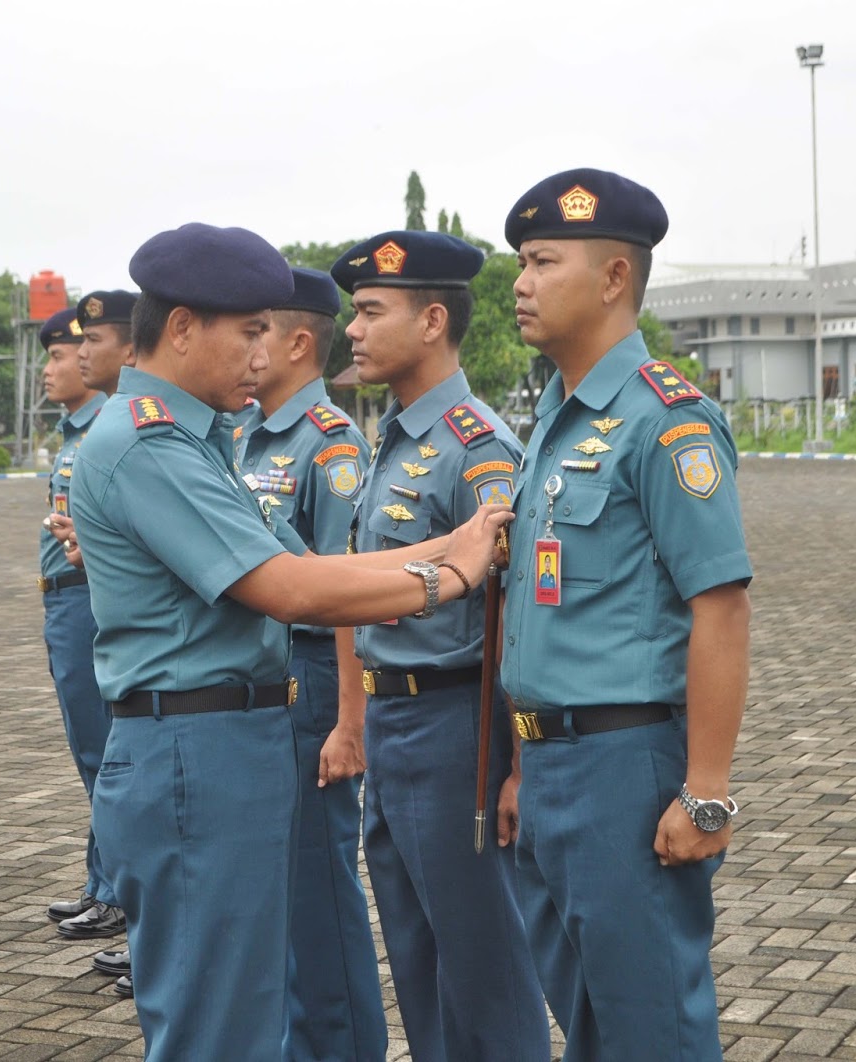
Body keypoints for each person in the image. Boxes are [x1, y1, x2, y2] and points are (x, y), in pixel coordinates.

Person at [71, 222, 513, 1062]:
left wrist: (448, 544)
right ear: (183, 328)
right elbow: (288, 588)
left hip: (220, 743)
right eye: (248, 332)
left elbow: (303, 561)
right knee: (220, 1030)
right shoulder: (149, 444)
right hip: (192, 753)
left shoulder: (191, 437)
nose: (262, 352)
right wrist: (447, 576)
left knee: (247, 1007)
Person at [500, 167, 753, 1062]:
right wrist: (525, 764)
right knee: (594, 1027)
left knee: (654, 1029)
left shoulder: (665, 422)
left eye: (541, 261)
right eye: (521, 263)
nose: (521, 283)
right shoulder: (553, 425)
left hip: (626, 770)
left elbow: (719, 606)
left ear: (613, 278)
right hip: (550, 768)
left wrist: (709, 791)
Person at [333, 229, 549, 1062]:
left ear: (431, 322)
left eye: (370, 311)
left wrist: (518, 765)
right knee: (419, 964)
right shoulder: (392, 437)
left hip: (457, 724)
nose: (353, 330)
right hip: (393, 728)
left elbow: (513, 610)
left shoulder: (475, 444)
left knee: (483, 967)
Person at [233, 267, 387, 1062]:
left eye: (256, 330)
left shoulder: (330, 446)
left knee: (321, 895)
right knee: (283, 898)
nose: (244, 346)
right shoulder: (245, 436)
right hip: (265, 687)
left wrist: (349, 722)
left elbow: (347, 589)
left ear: (298, 342)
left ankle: (346, 1046)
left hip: (315, 686)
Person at [41, 291, 140, 958]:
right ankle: (103, 880)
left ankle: (116, 894)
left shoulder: (113, 426)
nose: (62, 363)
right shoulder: (79, 434)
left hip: (85, 595)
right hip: (65, 596)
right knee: (93, 751)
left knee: (104, 752)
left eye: (72, 349)